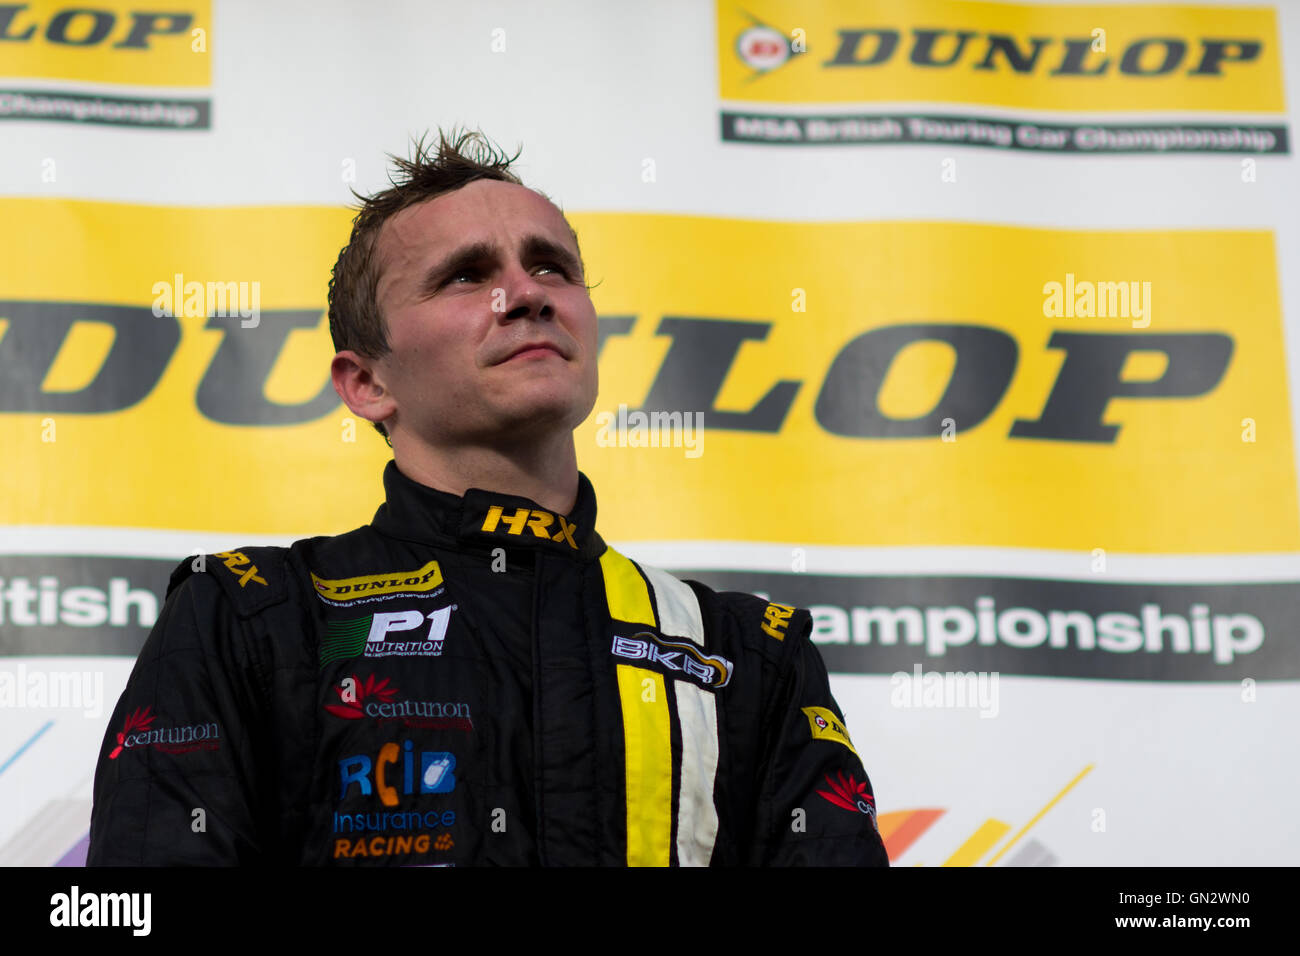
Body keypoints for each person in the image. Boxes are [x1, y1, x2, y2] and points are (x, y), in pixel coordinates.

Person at [87, 128, 890, 866]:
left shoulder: (751, 653)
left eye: (552, 267)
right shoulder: (250, 617)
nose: (527, 294)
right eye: (467, 276)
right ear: (366, 383)